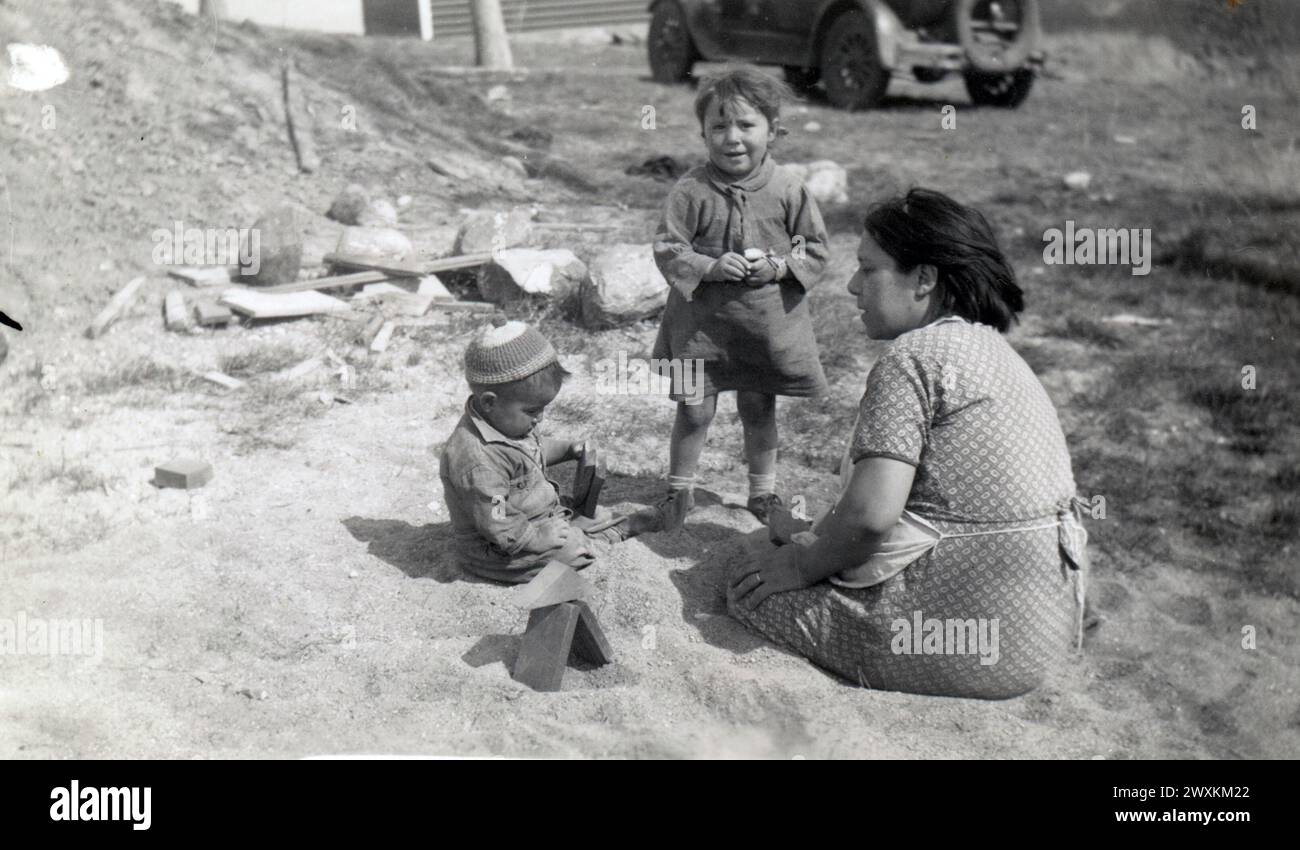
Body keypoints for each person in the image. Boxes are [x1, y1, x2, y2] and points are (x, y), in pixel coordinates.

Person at [728, 188, 1089, 699]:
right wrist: (812, 535)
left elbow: (872, 517)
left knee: (746, 578)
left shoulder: (914, 357)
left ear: (924, 278)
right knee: (784, 544)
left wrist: (802, 562)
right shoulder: (997, 351)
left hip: (962, 645)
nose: (853, 286)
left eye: (869, 270)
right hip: (1034, 637)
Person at [651, 67, 830, 528]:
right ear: (703, 132)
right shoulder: (690, 190)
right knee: (693, 409)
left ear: (774, 131)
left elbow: (812, 247)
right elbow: (669, 247)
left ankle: (762, 494)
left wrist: (779, 265)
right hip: (699, 327)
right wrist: (709, 267)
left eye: (746, 125)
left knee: (758, 406)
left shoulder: (789, 189)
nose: (732, 138)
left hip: (761, 325)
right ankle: (678, 492)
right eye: (718, 126)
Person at [439, 321, 681, 583]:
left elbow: (534, 451)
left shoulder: (504, 423)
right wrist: (534, 537)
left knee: (593, 516)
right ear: (489, 402)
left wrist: (568, 449)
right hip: (499, 546)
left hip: (540, 515)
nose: (540, 419)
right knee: (570, 553)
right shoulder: (478, 461)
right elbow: (495, 516)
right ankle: (598, 540)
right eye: (532, 411)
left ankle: (615, 526)